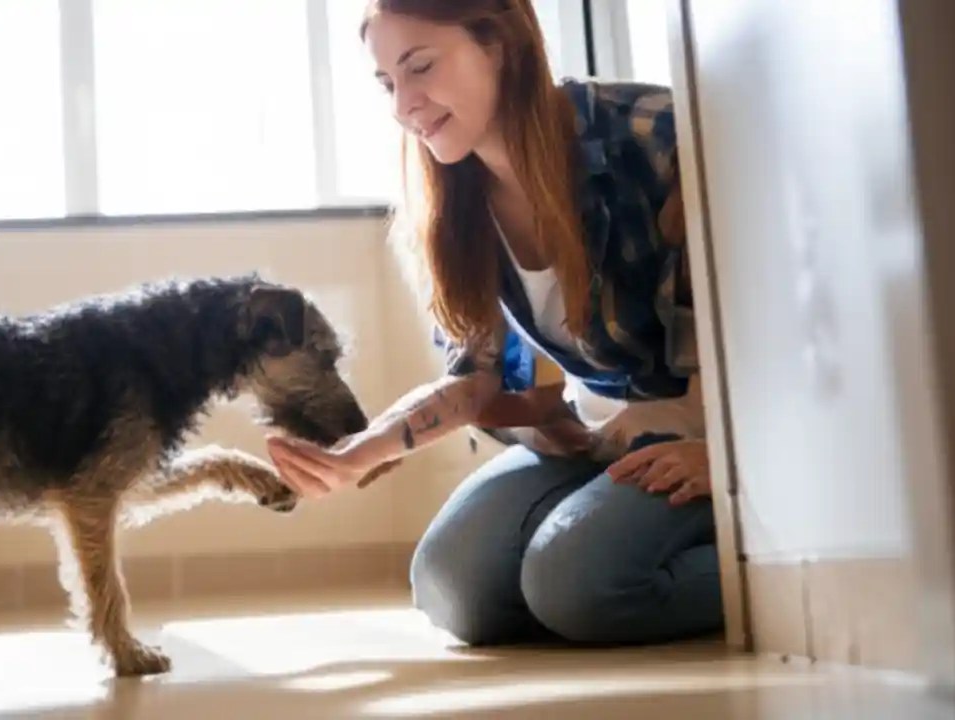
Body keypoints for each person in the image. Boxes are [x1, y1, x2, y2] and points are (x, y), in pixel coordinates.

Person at [267, 0, 723, 647]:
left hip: (708, 434)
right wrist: (355, 457)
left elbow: (776, 322)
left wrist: (728, 457)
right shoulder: (456, 202)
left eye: (420, 67)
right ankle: (593, 575)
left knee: (581, 585)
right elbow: (477, 380)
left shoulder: (652, 136)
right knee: (452, 587)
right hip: (591, 437)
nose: (404, 105)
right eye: (387, 84)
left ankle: (742, 555)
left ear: (501, 43)